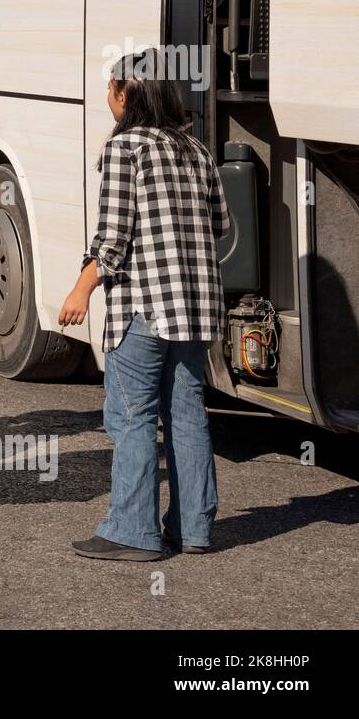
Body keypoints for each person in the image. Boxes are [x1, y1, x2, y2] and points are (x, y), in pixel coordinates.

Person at [61, 50, 229, 561]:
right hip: (196, 308)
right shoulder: (196, 149)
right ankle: (194, 528)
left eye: (110, 89)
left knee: (132, 416)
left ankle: (132, 531)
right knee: (186, 413)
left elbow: (112, 239)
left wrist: (81, 288)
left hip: (144, 307)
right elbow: (220, 225)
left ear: (124, 94)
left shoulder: (125, 149)